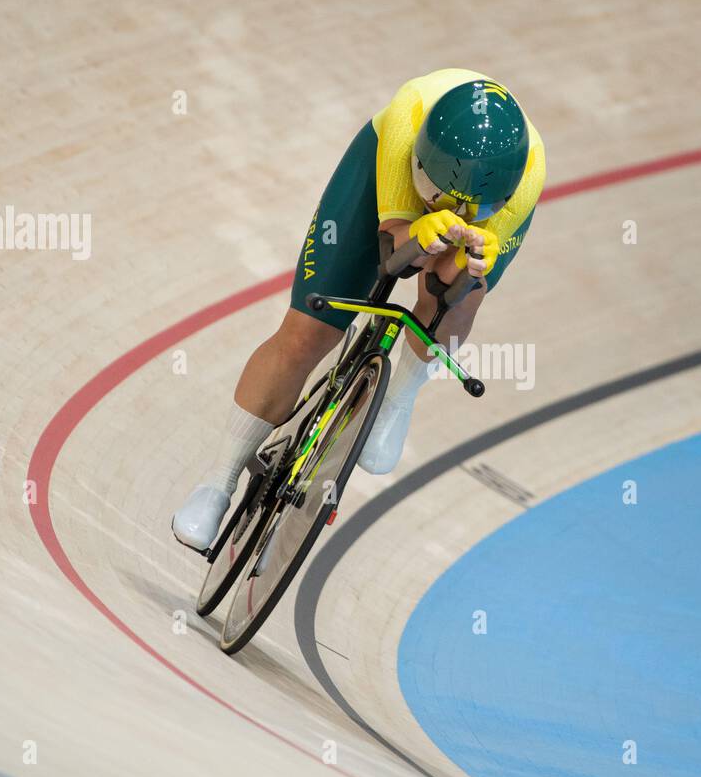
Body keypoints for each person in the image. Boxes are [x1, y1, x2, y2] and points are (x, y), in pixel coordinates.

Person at [172, 68, 546, 550]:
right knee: (309, 331)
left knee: (460, 297)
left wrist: (468, 266)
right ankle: (216, 482)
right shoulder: (406, 119)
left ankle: (399, 397)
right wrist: (418, 232)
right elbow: (392, 254)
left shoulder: (528, 175)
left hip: (486, 209)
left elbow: (446, 286)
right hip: (384, 180)